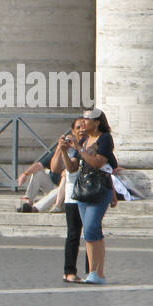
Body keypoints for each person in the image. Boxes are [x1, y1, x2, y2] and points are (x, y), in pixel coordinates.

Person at [56, 108, 117, 285]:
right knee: (91, 233)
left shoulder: (105, 138)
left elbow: (98, 162)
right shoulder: (83, 139)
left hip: (99, 188)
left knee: (90, 228)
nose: (83, 122)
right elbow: (72, 168)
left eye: (87, 119)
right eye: (82, 119)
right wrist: (63, 151)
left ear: (97, 122)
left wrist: (79, 148)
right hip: (83, 189)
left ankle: (99, 272)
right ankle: (94, 272)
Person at [49, 118, 89, 281]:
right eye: (78, 127)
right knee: (73, 234)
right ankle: (69, 271)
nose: (82, 130)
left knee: (91, 234)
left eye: (85, 127)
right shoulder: (69, 147)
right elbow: (55, 168)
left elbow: (74, 165)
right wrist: (60, 148)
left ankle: (91, 271)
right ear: (72, 131)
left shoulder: (90, 144)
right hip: (73, 196)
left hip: (90, 194)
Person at [16, 143, 63, 212]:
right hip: (53, 186)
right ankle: (28, 199)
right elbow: (38, 165)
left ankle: (35, 208)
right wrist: (25, 174)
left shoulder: (75, 156)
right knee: (38, 172)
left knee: (60, 189)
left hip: (64, 192)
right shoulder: (55, 154)